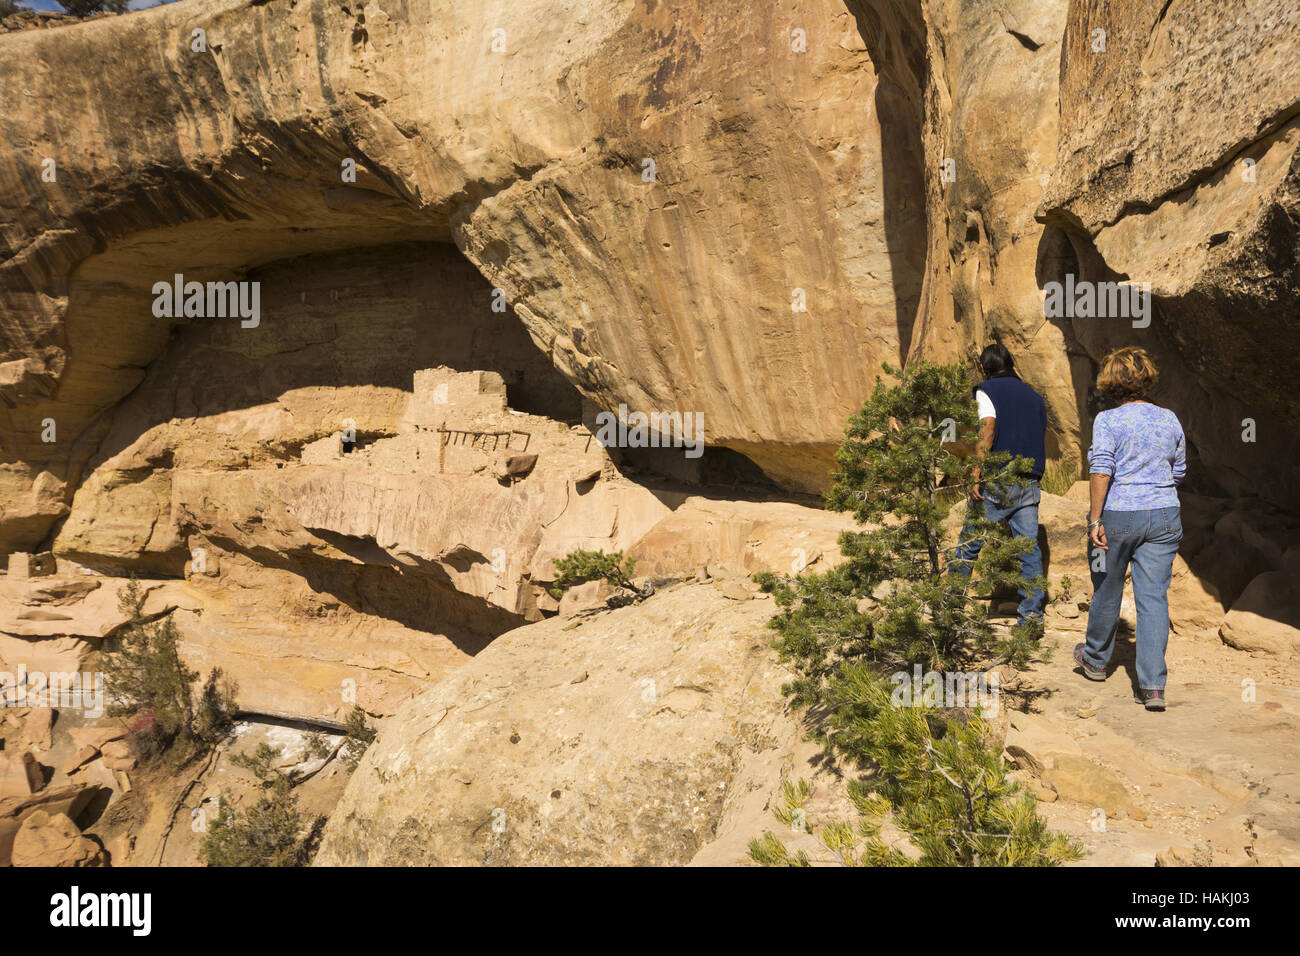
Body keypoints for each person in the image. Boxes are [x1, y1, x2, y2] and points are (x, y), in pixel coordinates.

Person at [1073, 347, 1185, 712]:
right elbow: (1179, 470)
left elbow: (1101, 469)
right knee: (1153, 599)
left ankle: (1095, 660)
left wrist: (1094, 519)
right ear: (1147, 377)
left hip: (1120, 514)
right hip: (1165, 513)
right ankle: (1152, 687)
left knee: (1107, 587)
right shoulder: (1169, 418)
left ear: (1110, 381)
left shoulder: (1108, 420)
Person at [949, 343, 1047, 628]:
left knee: (969, 545)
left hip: (998, 480)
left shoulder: (986, 390)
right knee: (1029, 550)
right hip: (1028, 480)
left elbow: (988, 428)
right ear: (1011, 363)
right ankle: (1031, 618)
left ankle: (950, 610)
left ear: (983, 368)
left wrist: (977, 472)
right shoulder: (1035, 397)